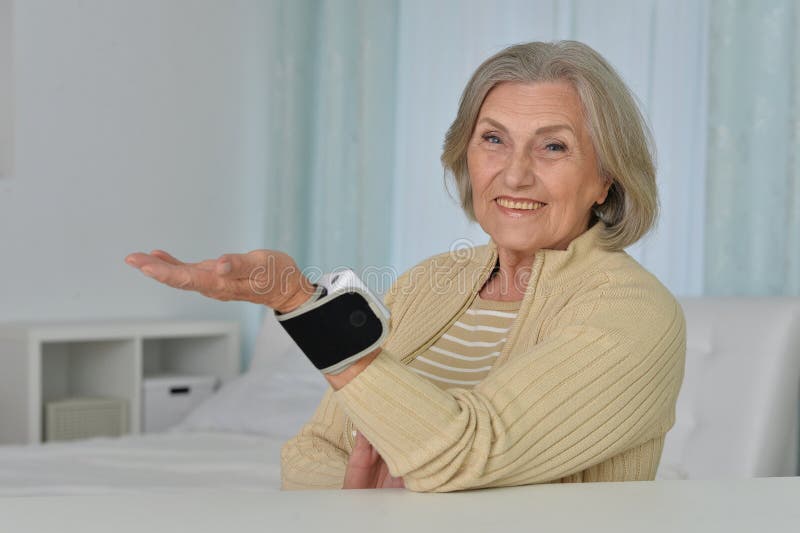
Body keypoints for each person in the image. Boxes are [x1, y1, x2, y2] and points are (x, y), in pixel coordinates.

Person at [125, 40, 685, 493]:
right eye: (493, 139)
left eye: (553, 147)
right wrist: (369, 493)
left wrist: (300, 304)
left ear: (606, 177)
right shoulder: (428, 284)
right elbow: (310, 452)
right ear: (465, 154)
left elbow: (466, 451)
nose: (515, 174)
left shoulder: (634, 312)